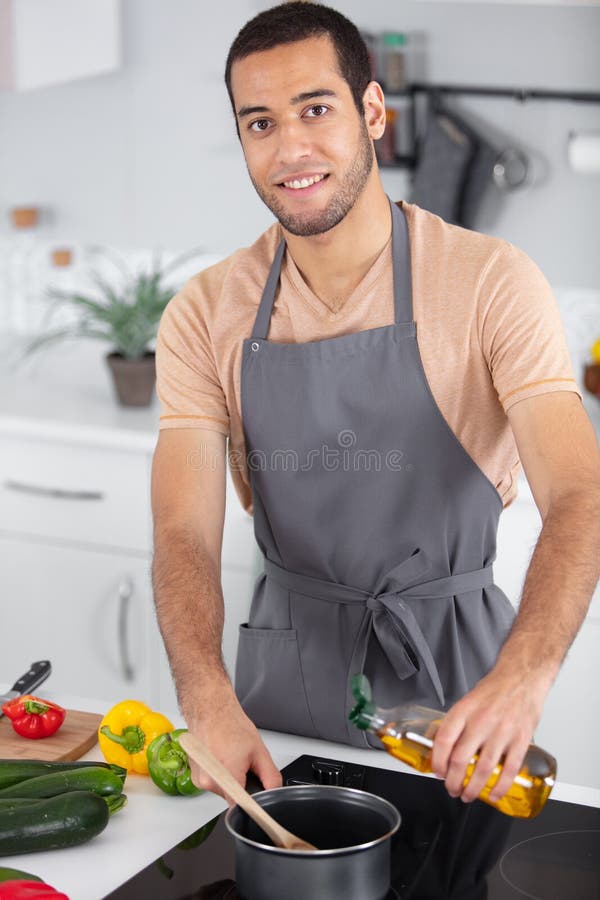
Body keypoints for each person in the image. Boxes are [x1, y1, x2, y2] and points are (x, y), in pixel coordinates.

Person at [151, 2, 600, 806]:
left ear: (372, 112)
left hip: (457, 710)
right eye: (259, 123)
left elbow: (579, 492)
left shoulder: (489, 282)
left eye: (315, 110)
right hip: (276, 704)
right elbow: (183, 528)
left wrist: (523, 678)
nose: (290, 149)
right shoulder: (205, 309)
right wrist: (205, 694)